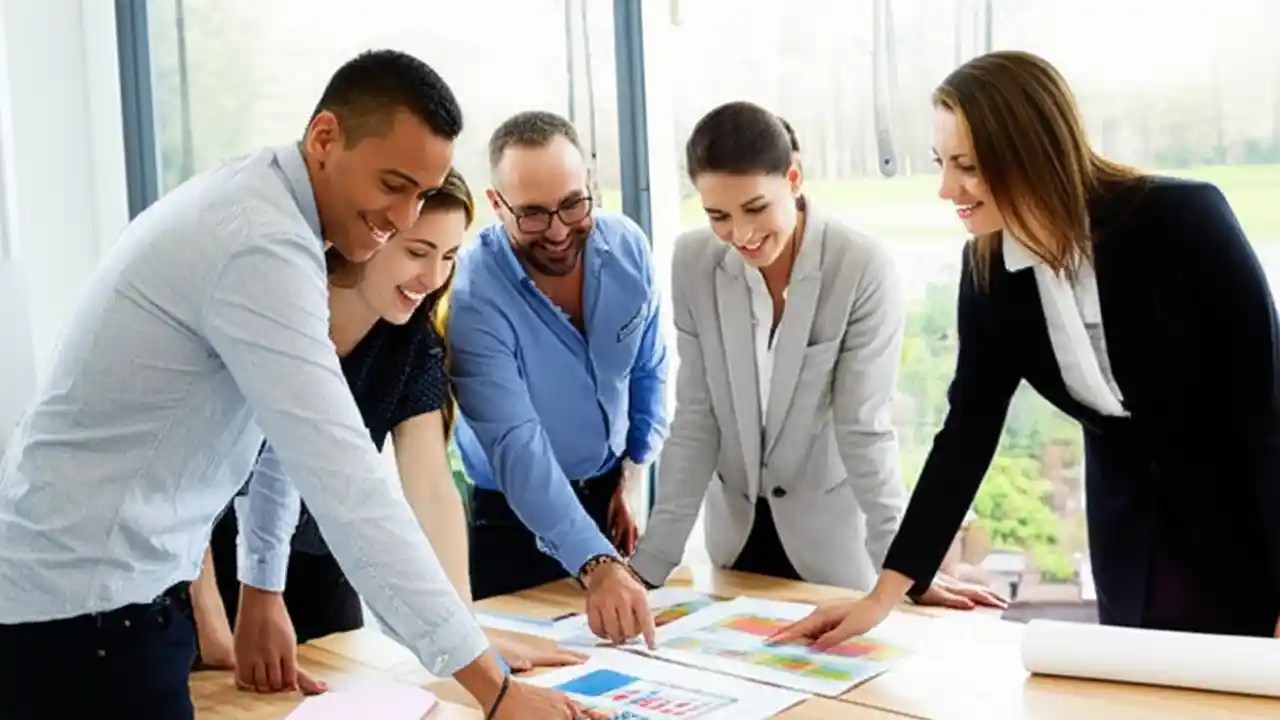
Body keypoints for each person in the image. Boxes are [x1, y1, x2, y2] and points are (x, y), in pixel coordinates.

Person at [0, 49, 589, 719]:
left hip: (101, 603)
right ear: (324, 138)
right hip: (85, 616)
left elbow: (277, 434)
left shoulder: (276, 220)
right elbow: (345, 481)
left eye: (422, 194)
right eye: (393, 183)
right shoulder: (259, 245)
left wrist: (260, 583)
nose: (403, 215)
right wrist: (497, 692)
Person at [771, 50, 1280, 651]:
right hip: (1129, 539)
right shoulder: (989, 274)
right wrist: (886, 594)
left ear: (1029, 150)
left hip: (1247, 525)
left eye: (966, 165)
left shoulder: (1185, 220)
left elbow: (1267, 413)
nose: (945, 188)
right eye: (942, 163)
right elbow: (966, 434)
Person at [189, 169, 586, 682]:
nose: (433, 278)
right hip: (210, 577)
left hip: (318, 568)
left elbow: (430, 491)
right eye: (418, 252)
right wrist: (215, 636)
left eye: (448, 257)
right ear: (370, 238)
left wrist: (467, 634)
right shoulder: (277, 322)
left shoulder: (411, 345)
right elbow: (187, 483)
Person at [630, 101, 1004, 611]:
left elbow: (863, 427)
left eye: (756, 208)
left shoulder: (860, 266)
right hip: (733, 547)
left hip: (830, 553)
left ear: (794, 178)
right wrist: (648, 568)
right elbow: (697, 418)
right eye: (718, 215)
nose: (741, 234)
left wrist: (907, 569)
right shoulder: (694, 261)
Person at [449, 110, 666, 645]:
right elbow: (515, 444)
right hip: (513, 523)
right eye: (533, 214)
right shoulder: (474, 294)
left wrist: (633, 473)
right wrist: (594, 561)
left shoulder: (628, 249)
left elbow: (649, 369)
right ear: (496, 205)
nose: (559, 230)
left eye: (573, 204)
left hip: (612, 502)